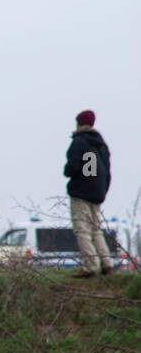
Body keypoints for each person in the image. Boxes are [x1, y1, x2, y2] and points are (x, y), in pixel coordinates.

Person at [63, 109, 112, 277]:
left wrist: (67, 171)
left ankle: (91, 266)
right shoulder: (101, 144)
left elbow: (72, 167)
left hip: (81, 192)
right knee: (96, 229)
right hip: (97, 192)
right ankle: (106, 263)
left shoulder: (79, 141)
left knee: (82, 229)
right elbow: (107, 170)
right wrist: (103, 189)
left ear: (79, 123)